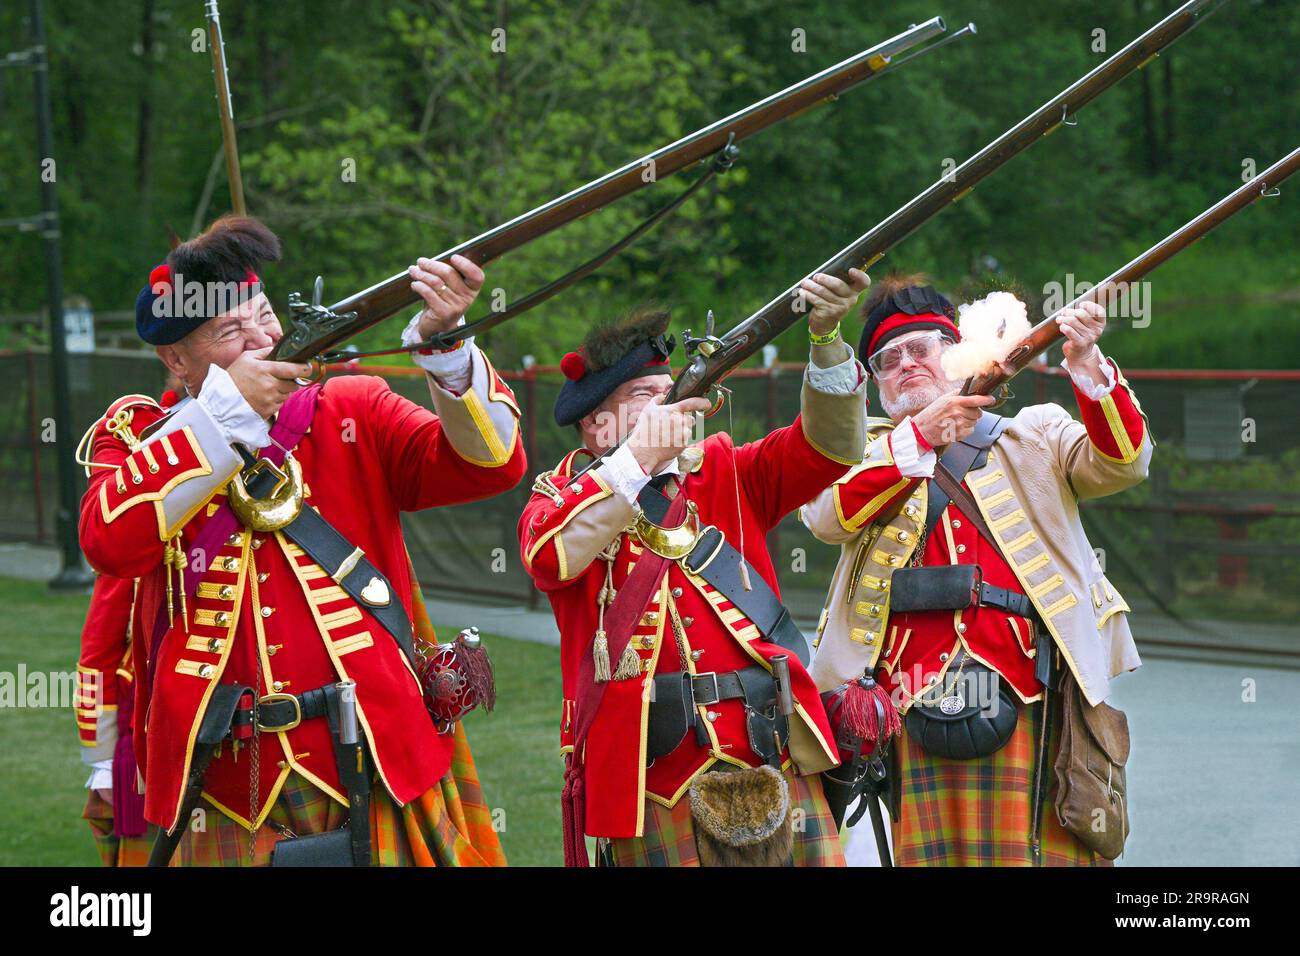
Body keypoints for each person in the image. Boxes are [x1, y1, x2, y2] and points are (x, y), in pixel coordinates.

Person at [77, 215, 525, 866]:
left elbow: (490, 464)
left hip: (376, 753)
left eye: (263, 315)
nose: (263, 338)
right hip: (218, 780)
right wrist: (227, 415)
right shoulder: (142, 443)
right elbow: (109, 541)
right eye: (231, 331)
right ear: (176, 359)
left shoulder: (353, 408)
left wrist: (445, 346)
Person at [519, 269, 870, 866]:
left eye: (668, 391)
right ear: (594, 423)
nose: (665, 405)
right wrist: (639, 460)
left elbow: (830, 448)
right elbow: (550, 557)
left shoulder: (725, 468)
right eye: (641, 397)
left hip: (769, 749)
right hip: (651, 774)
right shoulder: (561, 494)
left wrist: (827, 338)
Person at [802, 274, 1151, 866]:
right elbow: (826, 516)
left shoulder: (1033, 431)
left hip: (1035, 695)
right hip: (909, 706)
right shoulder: (867, 455)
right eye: (888, 359)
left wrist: (1087, 364)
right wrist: (921, 439)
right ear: (876, 384)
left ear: (959, 352)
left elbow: (1123, 464)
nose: (906, 363)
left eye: (921, 347)